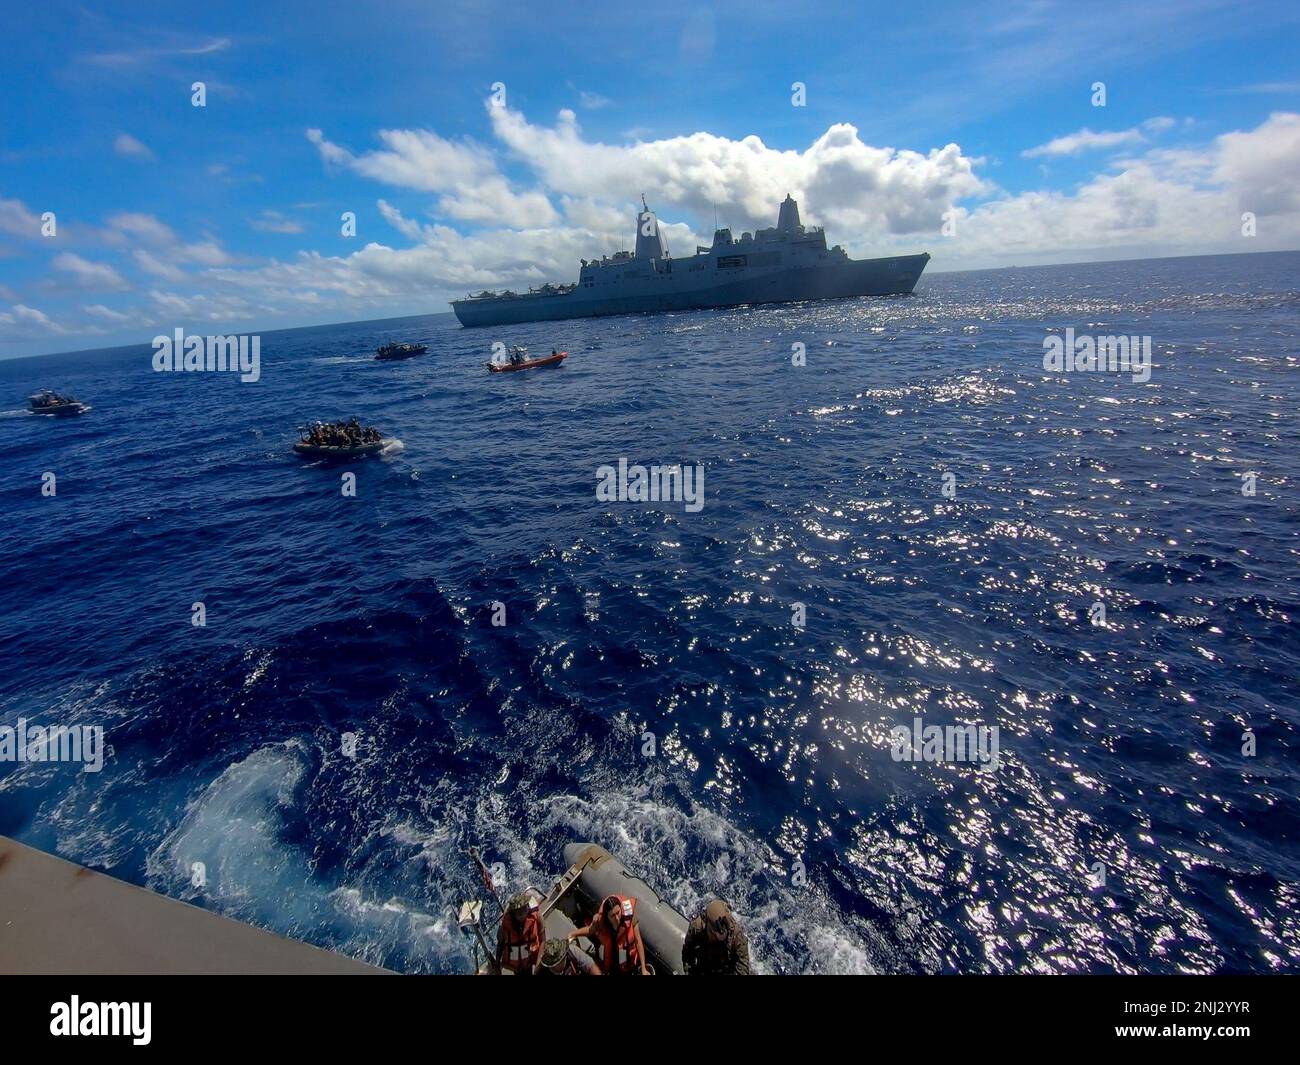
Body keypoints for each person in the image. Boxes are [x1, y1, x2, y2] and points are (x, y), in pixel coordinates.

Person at [569, 895, 648, 975]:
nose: (617, 918)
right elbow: (590, 930)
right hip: (611, 955)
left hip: (626, 958)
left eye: (618, 912)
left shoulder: (630, 916)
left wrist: (643, 968)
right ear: (607, 916)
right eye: (613, 916)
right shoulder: (601, 922)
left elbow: (638, 942)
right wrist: (573, 933)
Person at [682, 899, 750, 975]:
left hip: (728, 967)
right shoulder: (697, 928)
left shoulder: (737, 935)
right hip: (705, 962)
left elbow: (742, 965)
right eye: (716, 936)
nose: (720, 938)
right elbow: (687, 953)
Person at [495, 892, 545, 975]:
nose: (522, 914)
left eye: (524, 909)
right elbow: (500, 944)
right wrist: (497, 964)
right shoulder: (505, 924)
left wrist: (538, 964)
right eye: (518, 912)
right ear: (513, 913)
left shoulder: (536, 915)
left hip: (532, 954)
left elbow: (543, 939)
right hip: (517, 963)